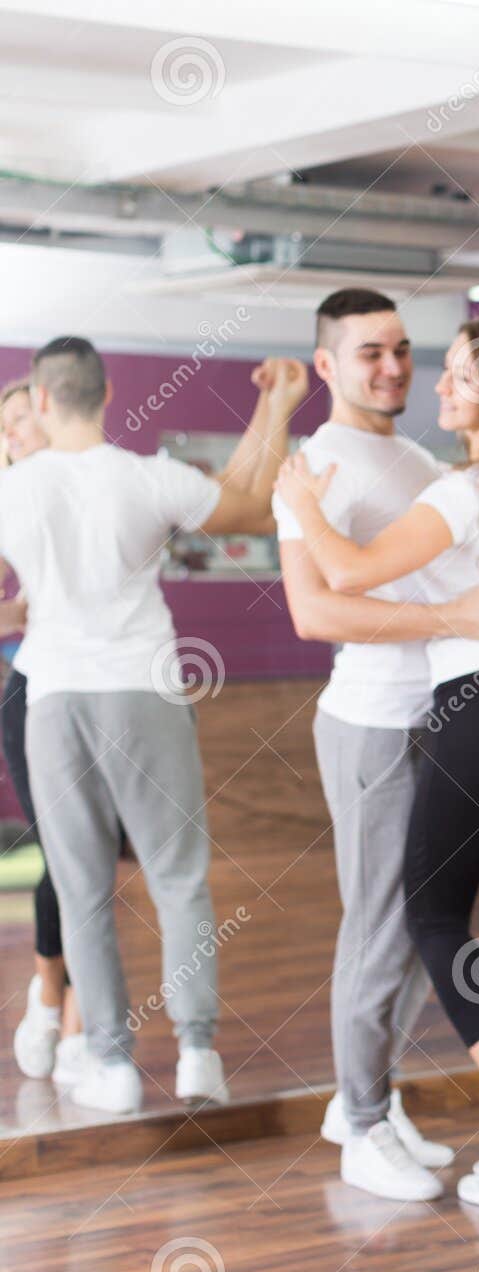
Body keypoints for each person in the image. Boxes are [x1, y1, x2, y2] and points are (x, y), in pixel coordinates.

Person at [277, 317, 479, 1225]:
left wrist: (301, 505)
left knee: (430, 912)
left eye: (461, 377)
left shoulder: (465, 491)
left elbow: (343, 574)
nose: (441, 390)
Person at [0, 338, 304, 1115]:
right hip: (145, 688)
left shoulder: (13, 489)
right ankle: (199, 1054)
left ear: (39, 402)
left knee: (82, 890)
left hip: (54, 696)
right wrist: (272, 405)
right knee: (177, 880)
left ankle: (112, 1064)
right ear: (105, 396)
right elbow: (247, 502)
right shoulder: (144, 476)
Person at [0, 376, 86, 1083]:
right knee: (64, 852)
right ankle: (49, 993)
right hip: (34, 694)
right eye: (8, 426)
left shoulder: (90, 492)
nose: (17, 432)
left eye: (27, 417)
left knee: (96, 861)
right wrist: (23, 609)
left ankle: (81, 1019)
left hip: (109, 693)